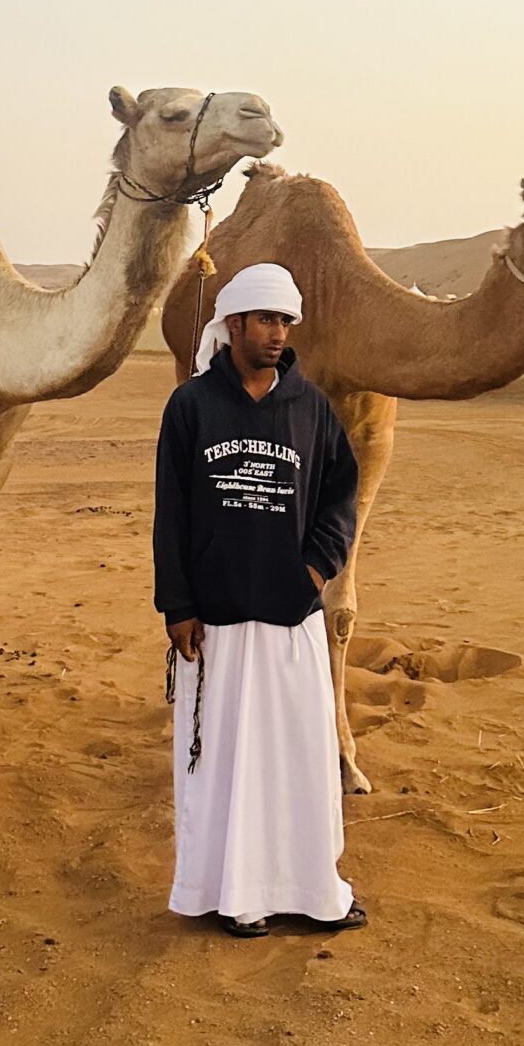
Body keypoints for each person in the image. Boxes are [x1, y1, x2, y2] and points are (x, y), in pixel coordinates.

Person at [153, 262, 364, 939]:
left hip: (290, 616)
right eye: (267, 320)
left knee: (300, 758)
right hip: (215, 621)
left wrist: (316, 569)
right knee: (222, 766)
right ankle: (234, 895)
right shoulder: (191, 406)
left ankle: (312, 890)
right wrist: (177, 605)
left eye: (286, 322)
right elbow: (170, 512)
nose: (278, 334)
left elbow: (341, 495)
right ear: (234, 324)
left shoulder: (310, 407)